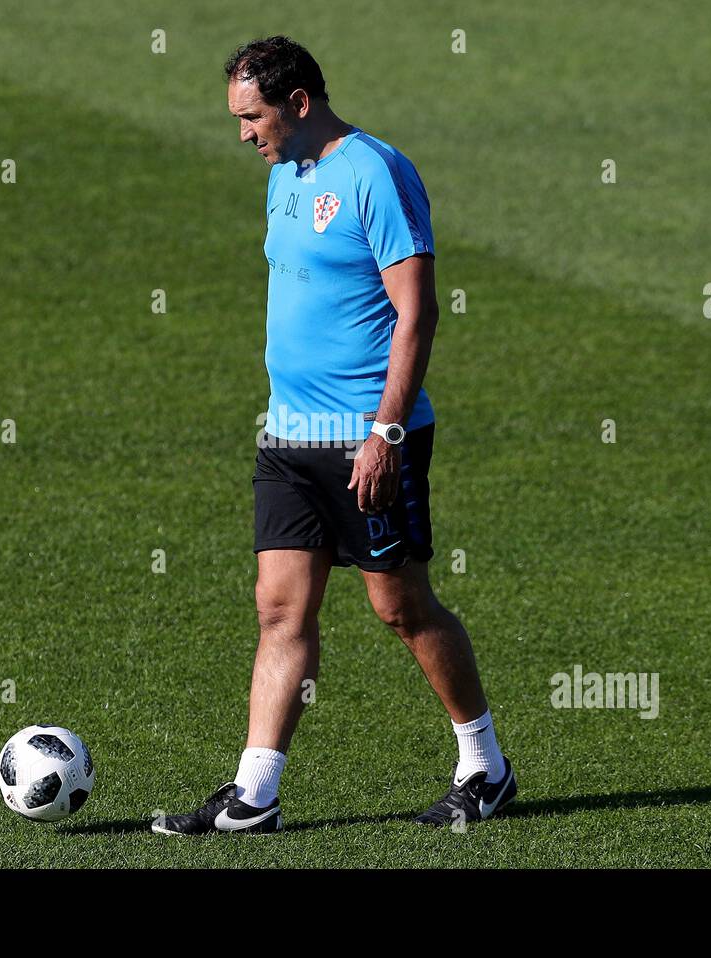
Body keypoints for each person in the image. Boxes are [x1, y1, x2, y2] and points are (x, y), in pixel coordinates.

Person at [153, 36, 514, 835]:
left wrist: (386, 432)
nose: (245, 134)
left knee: (401, 607)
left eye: (253, 117)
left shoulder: (375, 174)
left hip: (366, 438)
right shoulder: (286, 174)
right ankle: (256, 793)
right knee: (279, 611)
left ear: (300, 103)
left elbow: (417, 311)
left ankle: (485, 765)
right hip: (287, 436)